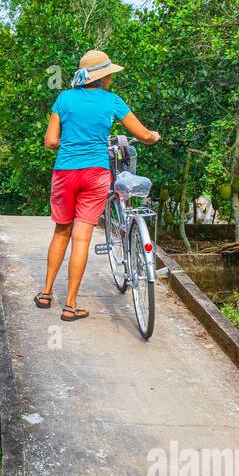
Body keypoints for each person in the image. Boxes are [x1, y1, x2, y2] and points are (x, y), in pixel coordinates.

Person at [36, 49, 161, 321]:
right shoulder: (112, 101)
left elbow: (50, 142)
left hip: (65, 172)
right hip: (95, 174)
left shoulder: (64, 98)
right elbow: (142, 134)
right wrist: (153, 137)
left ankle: (45, 293)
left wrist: (67, 143)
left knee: (61, 232)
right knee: (81, 238)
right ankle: (70, 305)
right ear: (103, 78)